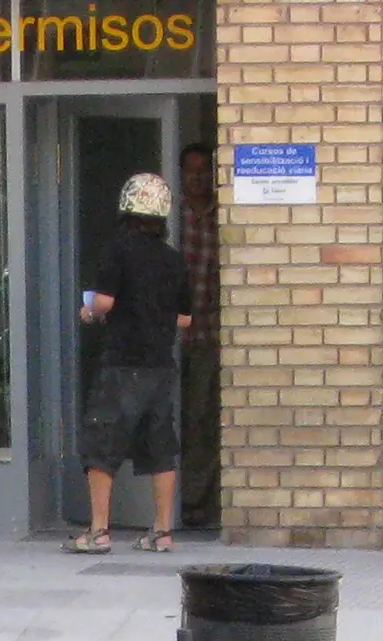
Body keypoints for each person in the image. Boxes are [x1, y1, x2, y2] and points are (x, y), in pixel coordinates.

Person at [71, 170, 191, 556]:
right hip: (161, 364)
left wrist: (88, 312)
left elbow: (103, 302)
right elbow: (185, 319)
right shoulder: (174, 260)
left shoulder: (117, 251)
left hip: (123, 361)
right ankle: (161, 532)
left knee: (102, 442)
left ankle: (99, 531)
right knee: (160, 445)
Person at [178, 144, 222, 533]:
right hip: (170, 337)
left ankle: (195, 502)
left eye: (203, 170)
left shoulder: (221, 218)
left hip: (208, 334)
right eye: (190, 171)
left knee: (201, 419)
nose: (198, 178)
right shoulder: (171, 219)